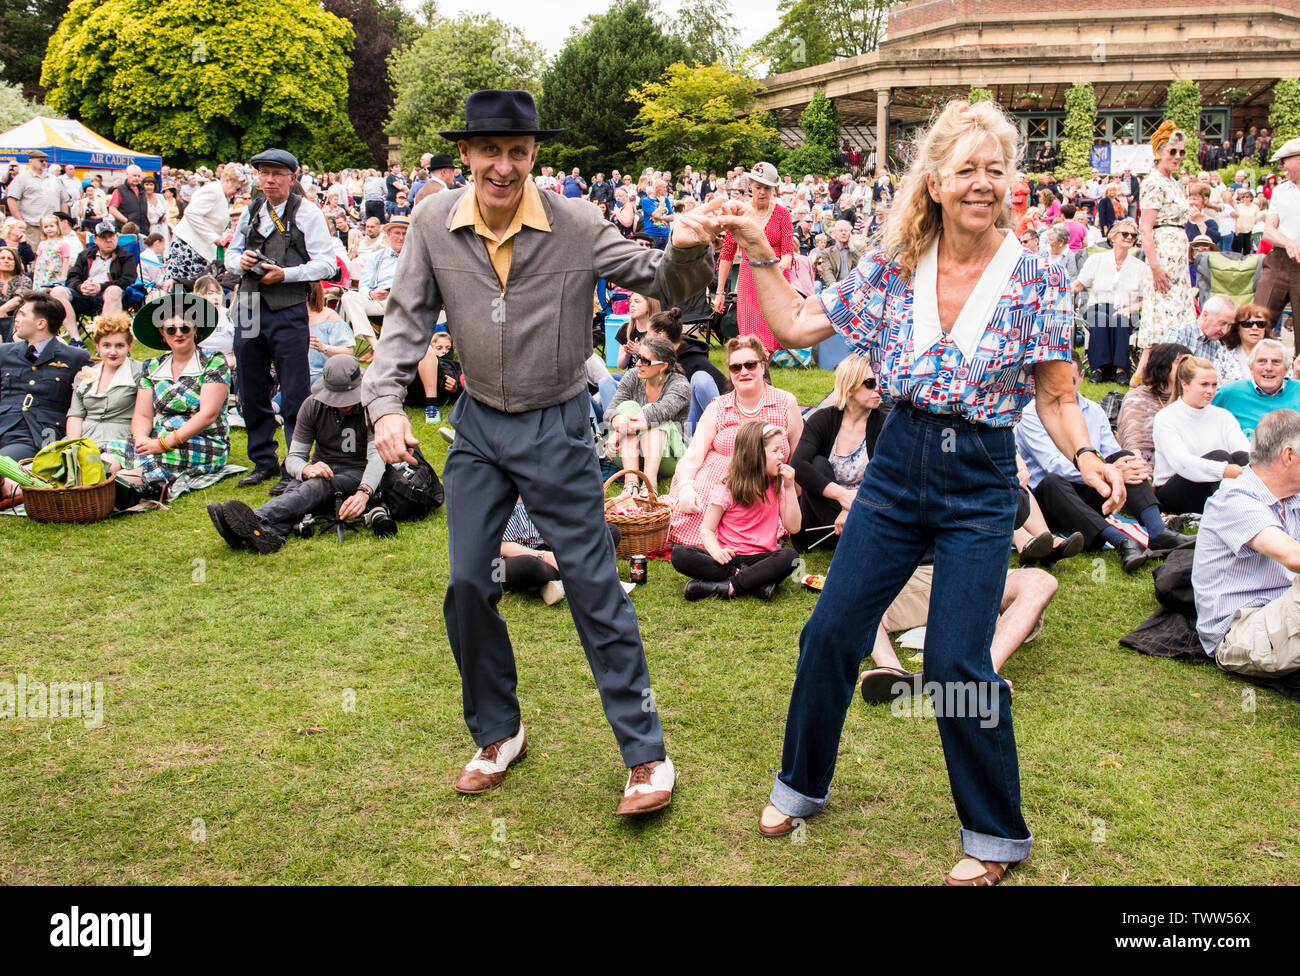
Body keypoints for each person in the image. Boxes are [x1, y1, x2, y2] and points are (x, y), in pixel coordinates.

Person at [717, 98, 1126, 886]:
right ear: (934, 182)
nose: (983, 184)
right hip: (898, 461)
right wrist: (756, 252)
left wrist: (1087, 454)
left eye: (996, 170)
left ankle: (996, 835)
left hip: (979, 473)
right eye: (966, 169)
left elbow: (1056, 392)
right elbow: (798, 328)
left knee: (954, 664)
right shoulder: (898, 260)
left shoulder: (1038, 270)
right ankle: (801, 784)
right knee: (831, 632)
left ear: (1011, 182)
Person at [361, 89, 722, 815]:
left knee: (594, 586)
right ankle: (498, 732)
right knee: (467, 583)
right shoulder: (432, 221)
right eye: (489, 150)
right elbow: (404, 321)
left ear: (533, 155)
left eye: (517, 151)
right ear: (465, 154)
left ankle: (646, 755)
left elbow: (662, 281)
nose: (503, 165)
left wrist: (685, 246)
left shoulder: (578, 221)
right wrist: (385, 403)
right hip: (480, 428)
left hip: (557, 427)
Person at [1017, 352, 1191, 572]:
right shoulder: (1030, 413)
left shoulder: (1094, 409)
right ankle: (1122, 541)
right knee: (1053, 481)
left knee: (1124, 458)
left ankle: (1158, 532)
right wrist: (1105, 469)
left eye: (1071, 381)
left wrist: (1120, 466)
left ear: (1081, 377)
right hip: (1051, 501)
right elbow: (1052, 464)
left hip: (1092, 490)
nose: (1065, 387)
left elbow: (1112, 451)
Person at [225, 148, 336, 492]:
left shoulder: (309, 213)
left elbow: (327, 264)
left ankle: (296, 464)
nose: (269, 180)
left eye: (276, 174)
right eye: (264, 173)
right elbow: (229, 254)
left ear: (292, 177)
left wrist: (285, 274)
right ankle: (262, 460)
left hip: (287, 307)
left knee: (294, 389)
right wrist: (238, 262)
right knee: (250, 384)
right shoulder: (252, 209)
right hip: (248, 305)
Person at [209, 355, 390, 552]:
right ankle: (268, 534)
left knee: (313, 487)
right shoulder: (312, 406)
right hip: (322, 468)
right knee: (296, 489)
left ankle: (256, 517)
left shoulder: (371, 408)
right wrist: (306, 468)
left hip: (357, 471)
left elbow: (377, 457)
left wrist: (364, 492)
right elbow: (294, 457)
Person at [1192, 408, 1300, 676]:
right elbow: (1293, 557)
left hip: (1282, 613)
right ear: (1288, 455)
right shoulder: (1235, 500)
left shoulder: (1292, 497)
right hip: (1240, 632)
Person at [667, 335, 803, 547]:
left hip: (765, 488)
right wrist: (685, 486)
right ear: (730, 372)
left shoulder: (785, 402)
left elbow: (800, 455)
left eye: (750, 364)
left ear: (763, 366)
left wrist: (791, 490)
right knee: (695, 522)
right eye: (736, 367)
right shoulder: (718, 406)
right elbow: (693, 454)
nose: (744, 372)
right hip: (717, 483)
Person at [858, 561, 1058, 703]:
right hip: (912, 576)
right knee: (852, 582)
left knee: (1041, 581)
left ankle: (984, 674)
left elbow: (1019, 511)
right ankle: (891, 670)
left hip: (978, 573)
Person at [99, 290, 230, 490]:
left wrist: (164, 443)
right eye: (171, 329)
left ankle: (121, 487)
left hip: (203, 440)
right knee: (106, 456)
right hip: (158, 435)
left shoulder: (214, 361)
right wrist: (142, 438)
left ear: (195, 328)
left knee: (138, 469)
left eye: (185, 327)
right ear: (162, 332)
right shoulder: (151, 366)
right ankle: (103, 488)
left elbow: (208, 415)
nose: (178, 333)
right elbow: (143, 414)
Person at [670, 420, 801, 600]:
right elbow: (707, 530)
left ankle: (730, 586)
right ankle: (756, 583)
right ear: (756, 455)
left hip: (762, 558)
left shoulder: (779, 484)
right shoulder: (728, 487)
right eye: (775, 450)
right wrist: (716, 552)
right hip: (729, 557)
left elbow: (793, 527)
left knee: (791, 556)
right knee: (680, 554)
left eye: (781, 450)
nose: (781, 456)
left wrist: (790, 487)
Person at [791, 354, 887, 551]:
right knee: (817, 463)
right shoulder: (823, 419)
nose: (878, 389)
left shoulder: (884, 424)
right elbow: (798, 465)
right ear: (850, 387)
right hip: (820, 524)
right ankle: (855, 539)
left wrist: (849, 507)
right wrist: (842, 496)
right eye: (870, 383)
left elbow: (887, 477)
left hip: (862, 514)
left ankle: (853, 535)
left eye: (881, 382)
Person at [1152, 353, 1250, 514]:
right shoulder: (1166, 418)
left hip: (1216, 482)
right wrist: (1224, 470)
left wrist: (1245, 469)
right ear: (1185, 384)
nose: (1211, 391)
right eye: (1204, 385)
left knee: (1243, 457)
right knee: (1219, 456)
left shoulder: (1223, 416)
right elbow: (1182, 462)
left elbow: (1244, 450)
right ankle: (1237, 514)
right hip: (1175, 490)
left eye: (1214, 385)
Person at [713, 162, 795, 354]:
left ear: (773, 189)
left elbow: (788, 254)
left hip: (777, 278)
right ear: (750, 185)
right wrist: (720, 292)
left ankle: (761, 381)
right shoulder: (740, 214)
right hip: (749, 278)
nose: (762, 192)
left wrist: (775, 270)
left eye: (767, 188)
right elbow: (727, 254)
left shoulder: (782, 214)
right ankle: (757, 380)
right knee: (751, 342)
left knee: (771, 340)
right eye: (758, 187)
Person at [0, 292, 91, 460]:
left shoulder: (75, 358)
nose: (16, 319)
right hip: (4, 426)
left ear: (41, 323)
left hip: (37, 434)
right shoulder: (4, 353)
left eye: (22, 314)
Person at [602, 335, 690, 496]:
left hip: (668, 456)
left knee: (653, 414)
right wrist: (617, 419)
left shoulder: (680, 385)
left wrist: (618, 433)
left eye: (645, 360)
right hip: (630, 454)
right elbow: (610, 411)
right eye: (638, 357)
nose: (638, 363)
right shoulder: (633, 376)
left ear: (663, 366)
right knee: (628, 406)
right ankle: (631, 484)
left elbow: (660, 411)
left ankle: (650, 485)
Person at [499, 497, 627, 605]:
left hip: (545, 551)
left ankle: (559, 582)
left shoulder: (538, 488)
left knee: (608, 533)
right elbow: (502, 547)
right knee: (527, 566)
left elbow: (552, 532)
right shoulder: (498, 493)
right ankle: (588, 571)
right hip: (503, 562)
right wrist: (544, 556)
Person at [1138, 123, 1198, 349]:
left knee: (1179, 312)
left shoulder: (1173, 182)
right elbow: (1145, 228)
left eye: (1181, 152)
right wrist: (1155, 267)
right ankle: (1158, 368)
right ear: (1159, 152)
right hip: (1162, 255)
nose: (1177, 156)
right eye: (1172, 151)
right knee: (1165, 314)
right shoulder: (1153, 182)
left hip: (1178, 256)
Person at [1072, 217, 1144, 384]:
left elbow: (1144, 300)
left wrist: (1131, 309)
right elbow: (1078, 284)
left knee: (1120, 319)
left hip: (1126, 308)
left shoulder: (1140, 267)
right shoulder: (1097, 260)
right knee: (1101, 318)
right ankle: (1098, 369)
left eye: (1133, 235)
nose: (1129, 237)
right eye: (1125, 234)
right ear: (1113, 237)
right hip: (1098, 305)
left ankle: (1120, 370)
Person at [66, 311, 143, 445]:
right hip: (84, 437)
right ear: (98, 347)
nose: (112, 352)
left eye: (119, 346)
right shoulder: (84, 375)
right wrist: (73, 445)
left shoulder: (139, 372)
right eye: (106, 345)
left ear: (129, 346)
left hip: (119, 440)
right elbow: (76, 415)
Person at [646, 305, 725, 431]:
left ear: (660, 336)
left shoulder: (693, 362)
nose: (645, 338)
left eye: (648, 334)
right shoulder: (667, 357)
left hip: (701, 421)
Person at [166, 162, 246, 287]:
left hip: (198, 248)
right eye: (237, 188)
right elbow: (191, 213)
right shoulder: (213, 191)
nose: (238, 193)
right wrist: (215, 238)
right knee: (183, 288)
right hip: (188, 247)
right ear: (228, 180)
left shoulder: (220, 193)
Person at [1117, 341, 1191, 469]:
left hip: (1184, 467)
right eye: (1180, 362)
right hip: (1146, 468)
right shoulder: (1138, 398)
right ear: (1163, 365)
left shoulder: (1190, 400)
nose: (1187, 369)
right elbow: (1133, 442)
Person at [1143, 294, 1244, 384]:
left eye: (1229, 325)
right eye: (1222, 323)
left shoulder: (1217, 346)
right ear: (1205, 315)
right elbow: (1164, 371)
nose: (1225, 331)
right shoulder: (1178, 333)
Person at [53, 222, 135, 329]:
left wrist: (100, 287)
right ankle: (75, 338)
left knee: (114, 290)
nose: (108, 240)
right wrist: (80, 287)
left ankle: (105, 336)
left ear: (117, 237)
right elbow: (72, 277)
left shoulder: (125, 256)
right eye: (103, 237)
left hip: (110, 296)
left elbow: (128, 279)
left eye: (111, 236)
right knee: (57, 291)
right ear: (95, 240)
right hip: (83, 296)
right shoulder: (84, 255)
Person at [1212, 338, 1300, 439]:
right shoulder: (1229, 392)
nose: (1268, 368)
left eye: (1276, 362)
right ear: (1251, 367)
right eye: (1262, 361)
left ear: (1286, 369)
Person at [1254, 137, 1300, 328]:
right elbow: (1269, 231)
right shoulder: (1280, 191)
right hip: (1279, 261)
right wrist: (1289, 243)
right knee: (1256, 321)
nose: (1281, 167)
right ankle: (1250, 357)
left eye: (1284, 161)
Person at [338, 215, 406, 337]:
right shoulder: (376, 257)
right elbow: (363, 285)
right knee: (348, 297)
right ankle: (374, 344)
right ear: (389, 234)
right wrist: (371, 294)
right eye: (397, 233)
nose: (401, 238)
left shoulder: (415, 258)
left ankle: (379, 348)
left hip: (403, 303)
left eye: (404, 234)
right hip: (378, 300)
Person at [5, 151, 69, 248]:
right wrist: (20, 221)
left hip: (54, 226)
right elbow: (11, 199)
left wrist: (64, 220)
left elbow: (63, 201)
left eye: (46, 161)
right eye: (41, 160)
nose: (44, 163)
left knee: (55, 254)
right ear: (31, 161)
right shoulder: (21, 179)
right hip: (32, 226)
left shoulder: (54, 179)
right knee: (33, 256)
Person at [305, 281, 354, 388]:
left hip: (321, 375)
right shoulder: (290, 317)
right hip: (293, 372)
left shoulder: (329, 316)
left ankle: (275, 404)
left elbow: (348, 353)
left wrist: (323, 347)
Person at [1221, 302, 1271, 376]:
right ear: (1237, 327)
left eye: (1260, 324)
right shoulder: (1223, 353)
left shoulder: (1277, 353)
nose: (1255, 328)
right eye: (1248, 324)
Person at [614, 291, 659, 369]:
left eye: (637, 302)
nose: (631, 305)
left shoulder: (659, 331)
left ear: (649, 305)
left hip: (650, 378)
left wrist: (639, 351)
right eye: (630, 301)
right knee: (605, 380)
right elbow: (621, 366)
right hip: (631, 377)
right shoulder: (626, 329)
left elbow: (660, 365)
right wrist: (626, 354)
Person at [815, 219, 864, 288]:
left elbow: (864, 265)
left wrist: (852, 248)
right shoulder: (827, 253)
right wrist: (834, 286)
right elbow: (827, 271)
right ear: (834, 233)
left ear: (850, 234)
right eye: (840, 231)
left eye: (846, 231)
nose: (843, 233)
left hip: (855, 288)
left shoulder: (857, 249)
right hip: (836, 288)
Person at [0, 245, 32, 342]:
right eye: (2, 258)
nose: (6, 261)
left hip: (17, 320)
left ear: (16, 262)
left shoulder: (24, 280)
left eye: (10, 259)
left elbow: (19, 299)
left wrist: (2, 310)